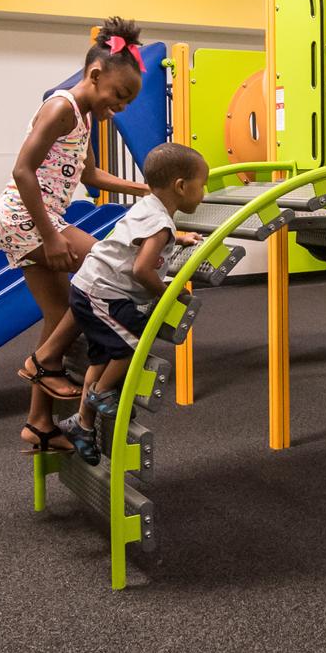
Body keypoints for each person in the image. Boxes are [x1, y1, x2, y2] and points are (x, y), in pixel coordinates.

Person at [0, 17, 152, 454]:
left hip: (32, 218)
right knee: (110, 266)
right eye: (118, 96)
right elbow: (22, 171)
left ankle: (39, 424)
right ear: (95, 75)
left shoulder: (84, 118)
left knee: (57, 311)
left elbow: (92, 176)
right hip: (25, 217)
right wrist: (52, 235)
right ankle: (43, 361)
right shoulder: (61, 106)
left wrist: (142, 187)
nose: (118, 107)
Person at [60, 142, 209, 464]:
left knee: (100, 359)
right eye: (202, 185)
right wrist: (168, 294)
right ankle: (100, 394)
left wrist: (178, 237)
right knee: (134, 342)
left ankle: (82, 424)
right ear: (181, 186)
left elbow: (139, 236)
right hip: (102, 293)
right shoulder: (160, 223)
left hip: (93, 289)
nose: (204, 192)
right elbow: (142, 269)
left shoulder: (150, 207)